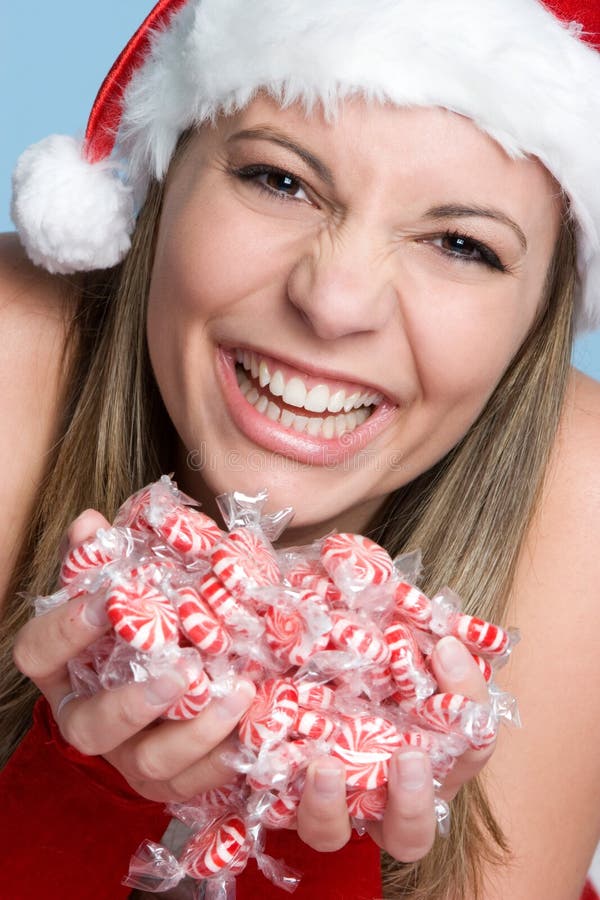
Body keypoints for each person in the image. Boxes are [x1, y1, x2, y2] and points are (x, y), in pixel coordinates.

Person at [1, 0, 600, 897]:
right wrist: (85, 794)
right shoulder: (17, 345)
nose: (335, 301)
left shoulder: (580, 495)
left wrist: (320, 844)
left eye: (459, 243)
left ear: (537, 319)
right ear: (163, 180)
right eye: (281, 181)